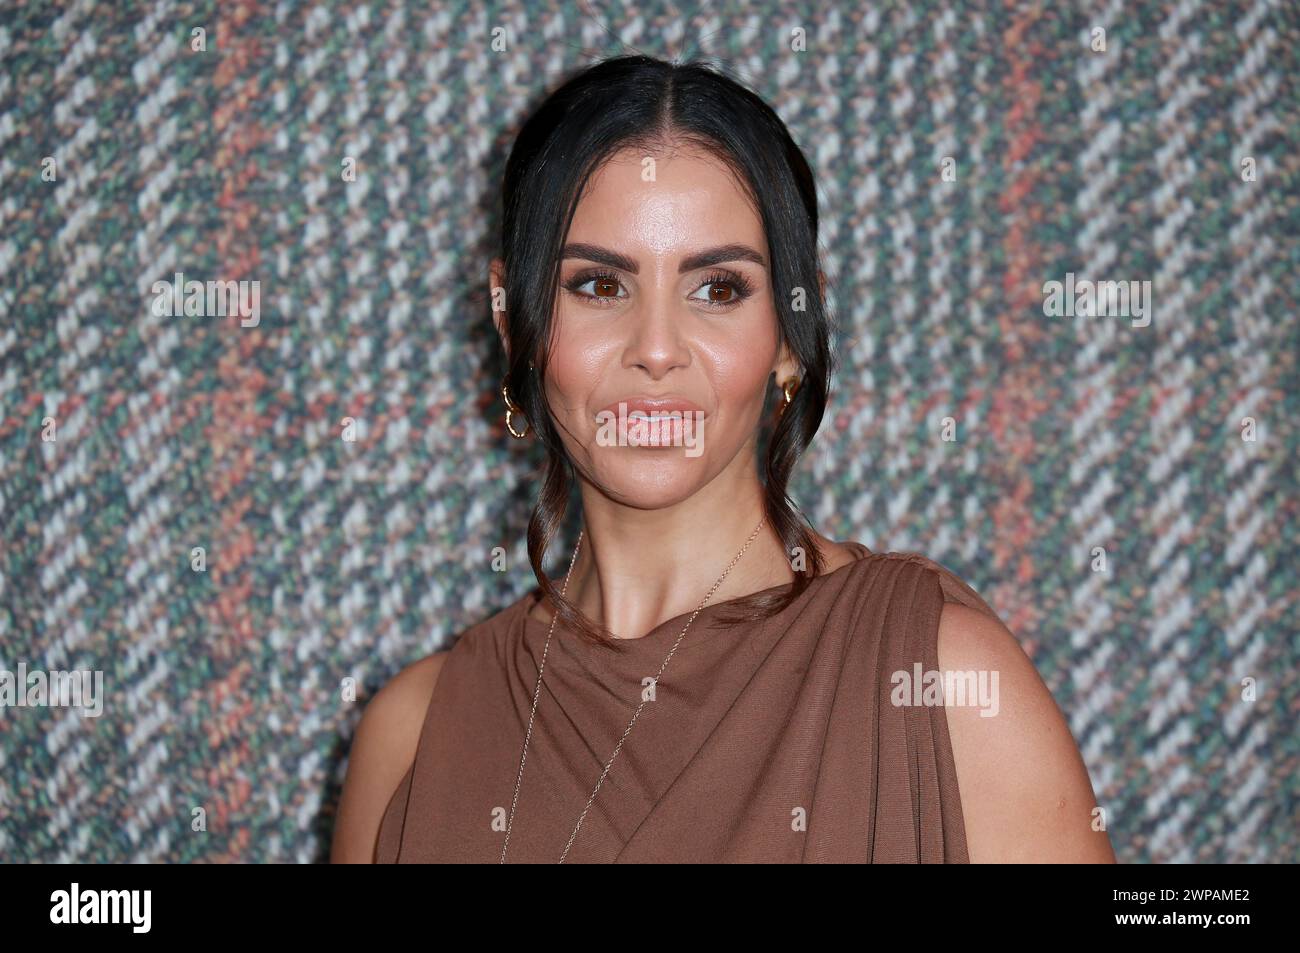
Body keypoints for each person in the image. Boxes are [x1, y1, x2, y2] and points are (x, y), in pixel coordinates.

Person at [331, 54, 1116, 864]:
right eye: (600, 286)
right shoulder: (412, 736)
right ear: (514, 323)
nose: (659, 349)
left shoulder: (945, 683)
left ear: (787, 333)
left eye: (718, 289)